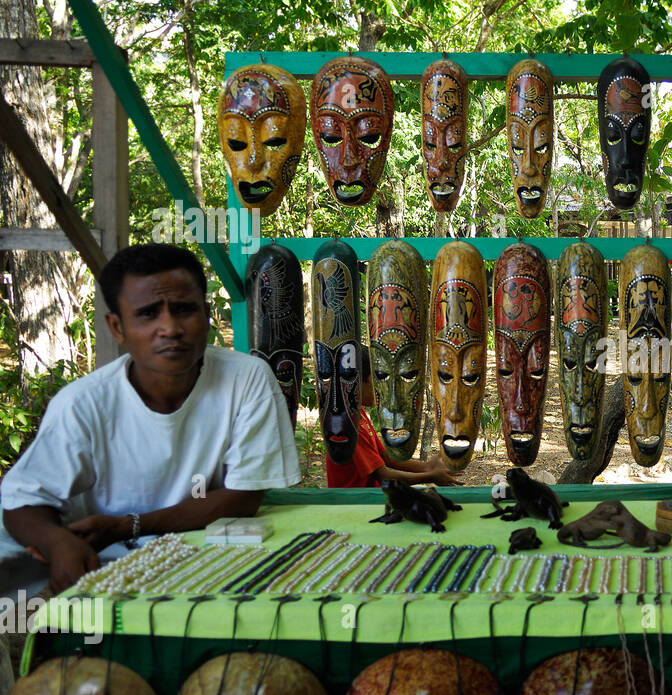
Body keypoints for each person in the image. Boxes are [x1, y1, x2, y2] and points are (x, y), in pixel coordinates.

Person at [1, 244, 301, 594]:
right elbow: (21, 499)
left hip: (206, 551)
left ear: (206, 314)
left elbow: (243, 496)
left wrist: (130, 525)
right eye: (148, 314)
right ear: (117, 327)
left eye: (184, 309)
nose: (170, 328)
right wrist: (56, 542)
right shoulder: (83, 403)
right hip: (104, 557)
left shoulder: (247, 378)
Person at [325, 345, 459, 488]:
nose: (381, 390)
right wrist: (430, 476)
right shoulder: (347, 424)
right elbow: (383, 475)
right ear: (357, 383)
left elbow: (385, 457)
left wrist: (426, 467)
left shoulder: (358, 413)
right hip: (357, 503)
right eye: (374, 382)